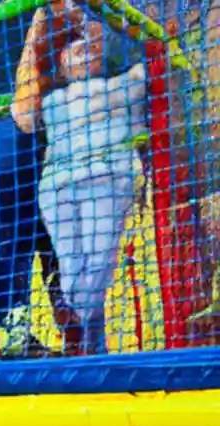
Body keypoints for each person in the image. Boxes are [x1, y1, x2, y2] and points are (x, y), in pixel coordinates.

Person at [26, 26, 148, 355]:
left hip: (102, 180)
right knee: (71, 270)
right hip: (58, 188)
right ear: (61, 61)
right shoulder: (50, 101)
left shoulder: (114, 87)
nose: (87, 54)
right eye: (77, 51)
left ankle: (91, 341)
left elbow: (141, 74)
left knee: (95, 266)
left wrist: (149, 37)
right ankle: (93, 342)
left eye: (91, 51)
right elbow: (24, 113)